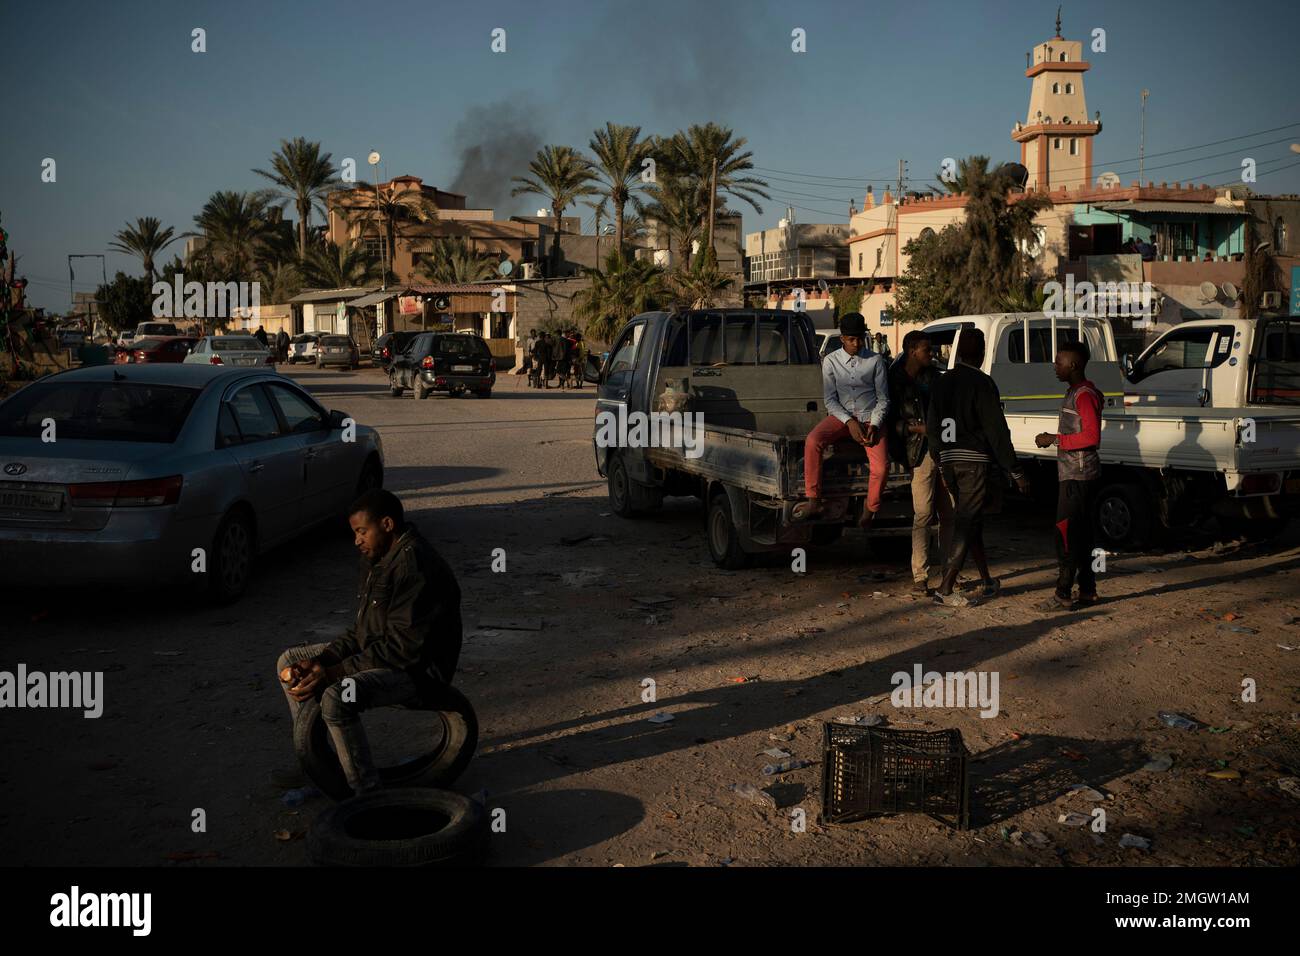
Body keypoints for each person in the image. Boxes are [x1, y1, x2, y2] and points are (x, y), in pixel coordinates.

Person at [274, 489, 463, 796]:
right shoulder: (378, 557)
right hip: (386, 654)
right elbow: (363, 631)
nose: (356, 541)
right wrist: (324, 660)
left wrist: (335, 672)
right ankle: (314, 762)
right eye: (355, 533)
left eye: (362, 532)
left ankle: (368, 796)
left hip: (418, 671)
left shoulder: (414, 566)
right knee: (290, 661)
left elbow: (403, 649)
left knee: (337, 697)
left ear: (387, 524)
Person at [926, 328, 1029, 607]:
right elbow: (996, 431)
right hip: (974, 462)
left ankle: (986, 580)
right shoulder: (983, 384)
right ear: (982, 353)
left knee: (971, 521)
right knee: (967, 521)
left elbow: (932, 426)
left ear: (958, 352)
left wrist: (940, 457)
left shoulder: (941, 383)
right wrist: (1015, 470)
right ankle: (945, 589)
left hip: (948, 460)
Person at [794, 312, 889, 527]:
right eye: (851, 339)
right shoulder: (830, 361)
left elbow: (884, 399)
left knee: (882, 468)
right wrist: (849, 421)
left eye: (860, 338)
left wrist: (874, 424)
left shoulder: (875, 360)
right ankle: (813, 499)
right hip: (841, 417)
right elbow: (830, 400)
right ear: (842, 339)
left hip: (871, 417)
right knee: (812, 441)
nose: (856, 343)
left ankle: (870, 509)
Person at [1034, 341, 1104, 610]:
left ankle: (1062, 593)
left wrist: (1055, 439)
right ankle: (1088, 591)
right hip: (1081, 473)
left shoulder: (1083, 395)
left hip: (1078, 475)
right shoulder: (1079, 392)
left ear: (1074, 365)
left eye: (1059, 361)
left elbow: (1091, 437)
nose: (1055, 366)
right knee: (1085, 535)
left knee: (1065, 534)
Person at [888, 330, 952, 594]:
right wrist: (914, 430)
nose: (931, 353)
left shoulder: (935, 378)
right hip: (918, 452)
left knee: (949, 513)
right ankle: (920, 576)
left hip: (940, 449)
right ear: (913, 350)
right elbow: (889, 420)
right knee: (924, 514)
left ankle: (950, 572)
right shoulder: (894, 380)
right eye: (927, 349)